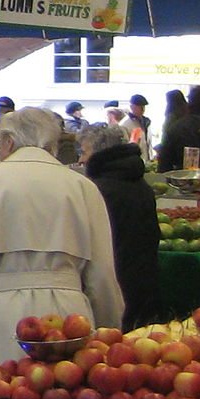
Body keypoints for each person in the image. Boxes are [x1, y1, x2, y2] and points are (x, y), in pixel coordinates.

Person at [0, 108, 123, 387]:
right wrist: (109, 331)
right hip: (70, 320)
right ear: (52, 145)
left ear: (8, 143)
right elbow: (102, 277)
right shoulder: (84, 187)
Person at [80, 124, 162, 328]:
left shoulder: (98, 190)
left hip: (115, 291)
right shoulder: (140, 184)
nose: (81, 159)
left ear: (100, 152)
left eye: (84, 152)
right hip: (144, 286)